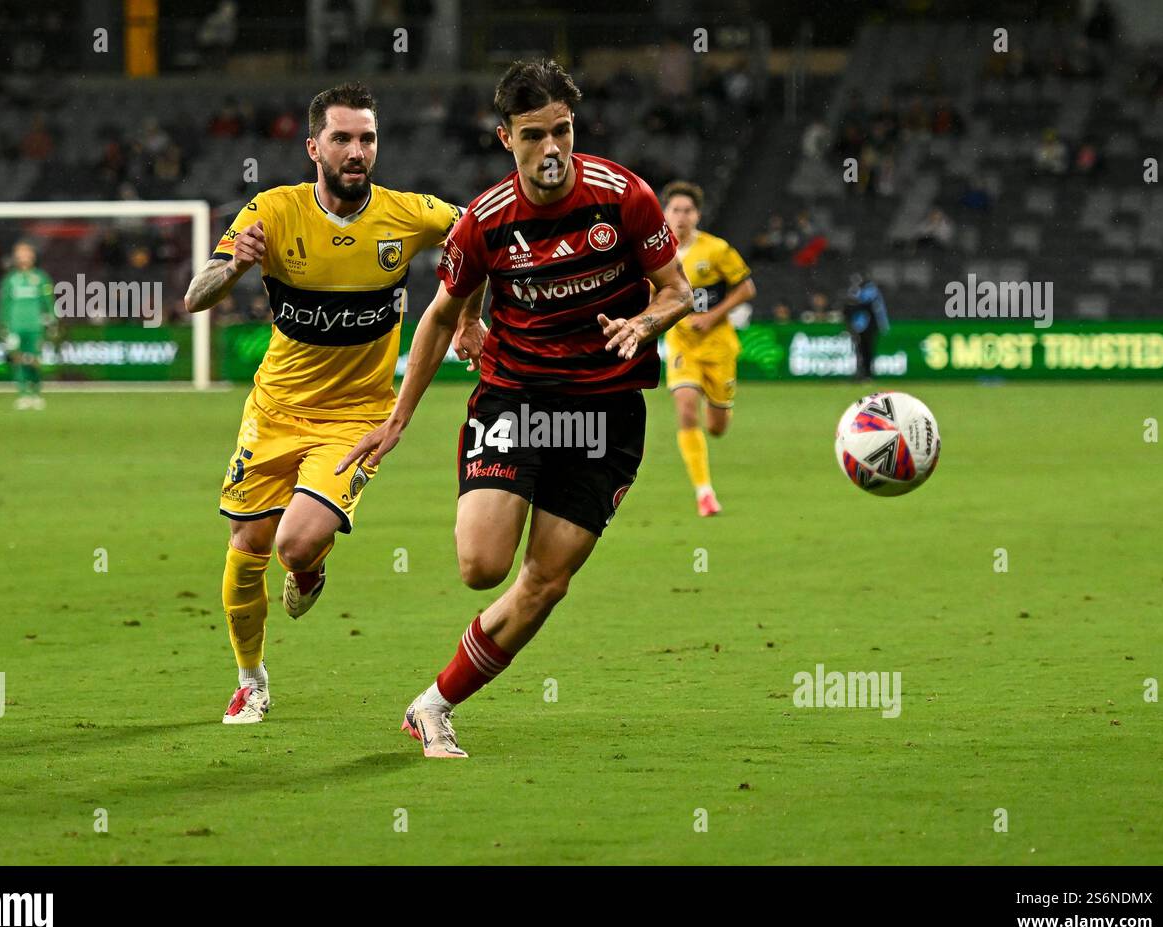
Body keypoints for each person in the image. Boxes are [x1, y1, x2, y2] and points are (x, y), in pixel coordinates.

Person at [337, 59, 694, 757]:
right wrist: (400, 415)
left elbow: (678, 290)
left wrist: (647, 324)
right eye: (534, 136)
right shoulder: (486, 221)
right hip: (518, 398)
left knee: (547, 581)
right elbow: (440, 315)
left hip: (606, 412)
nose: (552, 148)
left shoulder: (625, 198)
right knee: (481, 566)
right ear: (507, 138)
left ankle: (434, 705)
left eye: (562, 130)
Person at [182, 83, 484, 725]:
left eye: (367, 138)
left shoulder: (410, 214)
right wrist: (235, 266)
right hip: (274, 410)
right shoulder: (273, 209)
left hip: (354, 420)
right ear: (313, 145)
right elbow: (194, 296)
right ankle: (251, 679)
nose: (356, 150)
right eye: (342, 138)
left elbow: (478, 238)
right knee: (247, 542)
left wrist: (468, 320)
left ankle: (311, 571)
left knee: (294, 545)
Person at [658, 180, 756, 517]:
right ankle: (704, 493)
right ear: (665, 214)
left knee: (716, 426)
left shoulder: (716, 250)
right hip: (682, 344)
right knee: (685, 408)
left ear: (697, 215)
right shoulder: (656, 254)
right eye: (675, 210)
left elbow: (746, 288)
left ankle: (719, 412)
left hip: (718, 346)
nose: (681, 216)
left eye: (687, 210)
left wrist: (712, 316)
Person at [0, 241, 55, 410]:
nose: (23, 256)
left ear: (32, 256)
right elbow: (4, 303)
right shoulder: (10, 279)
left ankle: (36, 393)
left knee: (35, 359)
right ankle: (23, 394)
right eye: (20, 253)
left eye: (26, 253)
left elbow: (49, 301)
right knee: (18, 359)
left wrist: (52, 319)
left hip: (35, 325)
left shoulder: (41, 278)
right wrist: (3, 324)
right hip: (15, 325)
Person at [844, 273, 889, 382]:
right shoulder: (857, 290)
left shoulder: (871, 290)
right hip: (859, 326)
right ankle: (862, 373)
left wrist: (852, 303)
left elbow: (864, 304)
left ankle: (867, 374)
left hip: (869, 326)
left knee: (866, 350)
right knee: (860, 350)